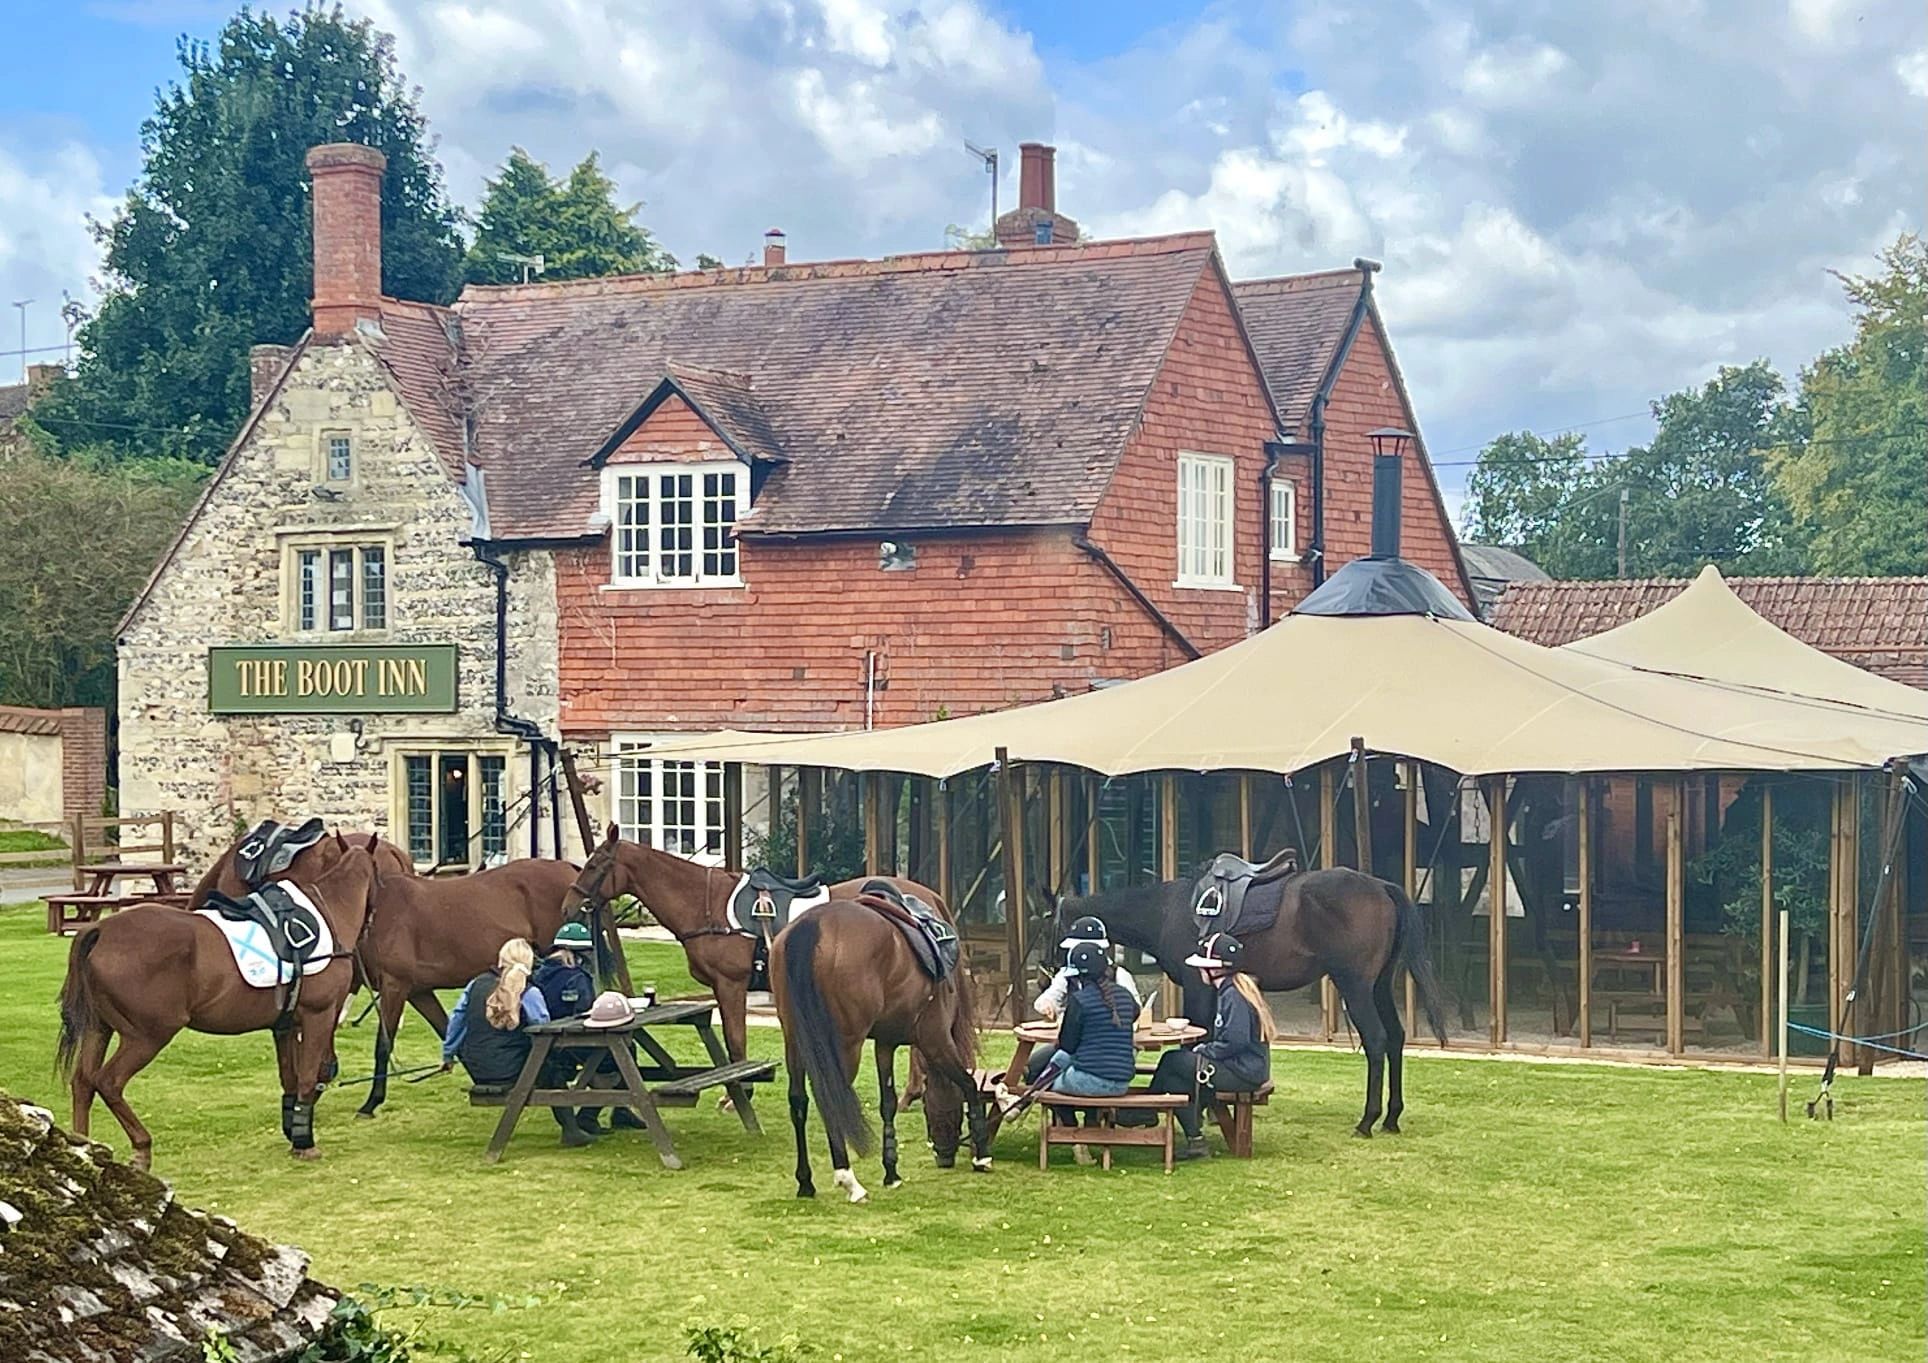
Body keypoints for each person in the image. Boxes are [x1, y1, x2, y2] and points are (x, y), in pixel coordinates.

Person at [443, 938, 595, 1148]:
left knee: (545, 1067)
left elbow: (457, 1021)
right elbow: (544, 1030)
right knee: (554, 1072)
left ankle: (574, 1128)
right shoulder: (529, 992)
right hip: (513, 1070)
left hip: (478, 1069)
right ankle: (571, 1130)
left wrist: (448, 1055)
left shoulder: (475, 985)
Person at [1149, 932, 1275, 1161]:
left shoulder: (1233, 996)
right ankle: (1195, 1142)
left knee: (1172, 1060)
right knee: (1175, 1078)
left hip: (1243, 1072)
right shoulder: (1232, 990)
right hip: (1243, 1068)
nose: (1199, 971)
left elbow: (1235, 1041)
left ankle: (1144, 1111)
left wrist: (1204, 1051)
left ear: (1215, 969)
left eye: (1202, 966)